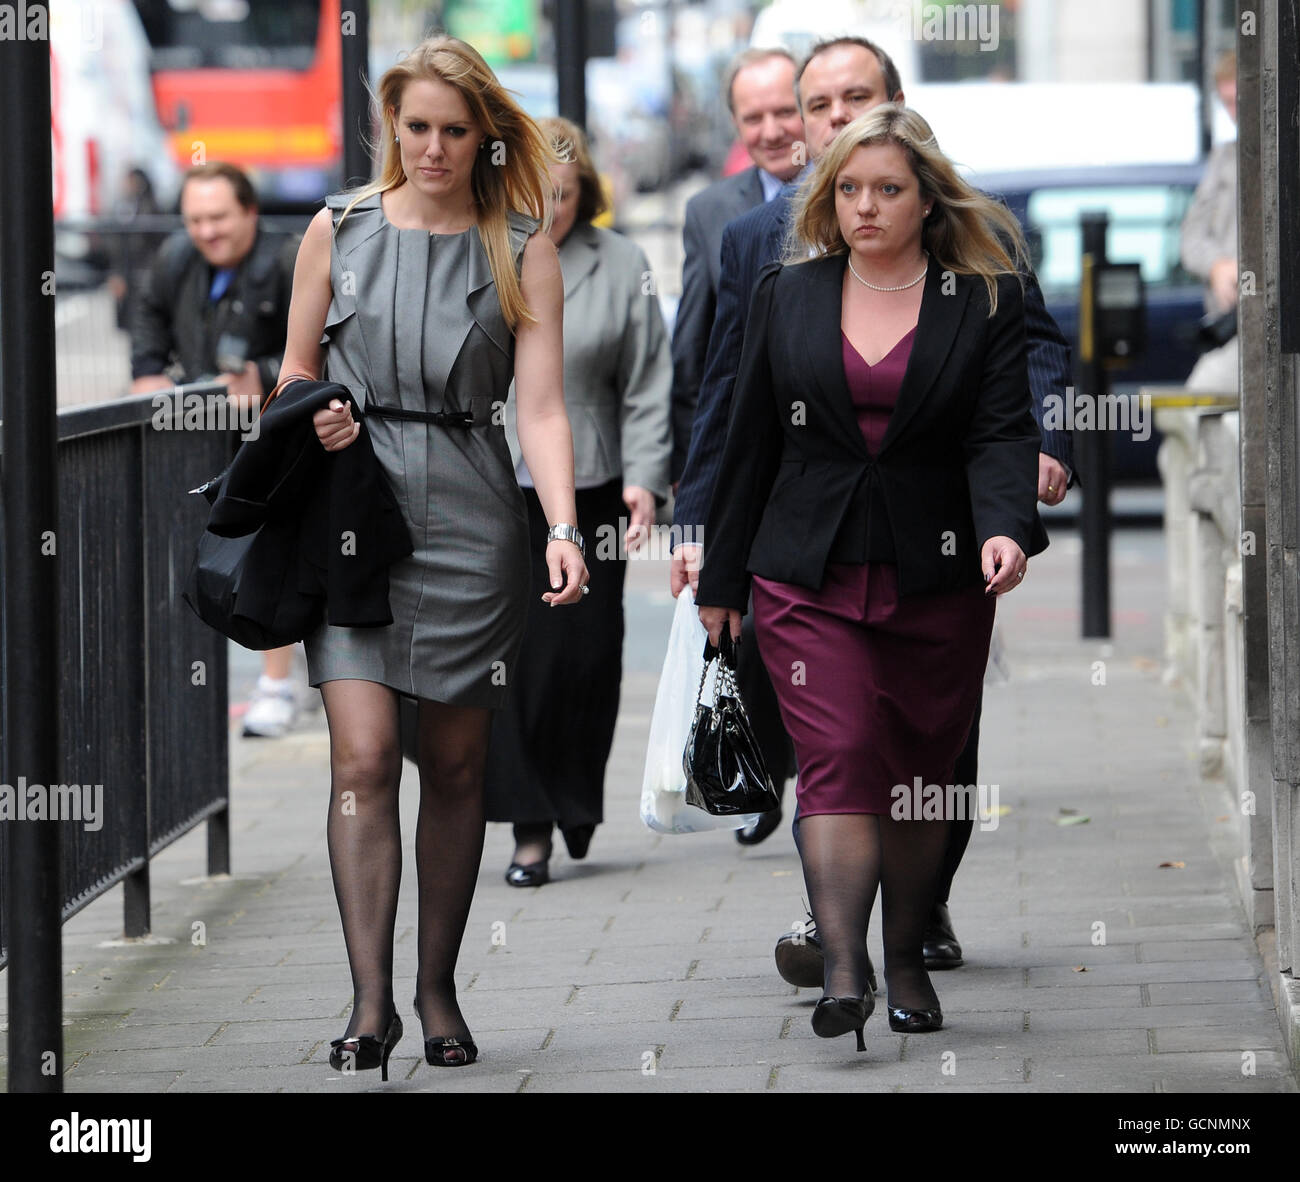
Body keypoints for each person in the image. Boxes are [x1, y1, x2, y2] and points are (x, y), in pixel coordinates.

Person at [672, 37, 1073, 956]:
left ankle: (920, 907)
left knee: (930, 744)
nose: (832, 118)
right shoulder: (749, 245)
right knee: (834, 738)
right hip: (802, 547)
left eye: (857, 97)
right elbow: (727, 403)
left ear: (896, 104)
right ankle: (837, 925)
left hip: (935, 544)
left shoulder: (984, 232)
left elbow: (1033, 356)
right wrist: (701, 531)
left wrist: (1037, 456)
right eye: (817, 104)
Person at [273, 35, 587, 1074]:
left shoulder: (519, 239)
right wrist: (310, 414)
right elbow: (291, 374)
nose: (436, 147)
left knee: (453, 763)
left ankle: (437, 987)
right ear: (388, 128)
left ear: (485, 134)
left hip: (472, 510)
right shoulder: (338, 228)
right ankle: (370, 1004)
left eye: (457, 130)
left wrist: (560, 525)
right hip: (354, 508)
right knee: (363, 758)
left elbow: (539, 406)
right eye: (417, 128)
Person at [485, 116, 671, 886]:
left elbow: (649, 379)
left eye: (561, 197)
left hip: (591, 486)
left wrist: (646, 476)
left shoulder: (622, 263)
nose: (547, 211)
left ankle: (575, 801)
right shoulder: (483, 251)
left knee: (586, 659)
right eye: (533, 195)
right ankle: (529, 828)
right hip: (496, 488)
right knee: (515, 663)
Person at [130, 161, 307, 738]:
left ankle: (276, 684)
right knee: (198, 554)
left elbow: (330, 337)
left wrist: (264, 373)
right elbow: (147, 314)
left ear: (250, 212)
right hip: (196, 433)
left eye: (219, 218)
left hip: (277, 435)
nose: (206, 232)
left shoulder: (290, 259)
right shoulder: (175, 260)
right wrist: (148, 371)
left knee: (265, 552)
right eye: (195, 220)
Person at [671, 47, 803, 484]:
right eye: (753, 118)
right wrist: (690, 471)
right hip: (746, 464)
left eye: (786, 112)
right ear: (735, 124)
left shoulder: (856, 199)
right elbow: (694, 352)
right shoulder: (709, 212)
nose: (771, 132)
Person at [1181, 50, 1238, 393]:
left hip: (1264, 326)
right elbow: (1190, 237)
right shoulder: (1225, 157)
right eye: (1226, 103)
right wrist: (1217, 265)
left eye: (1238, 100)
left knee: (1194, 409)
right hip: (1228, 324)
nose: (1234, 113)